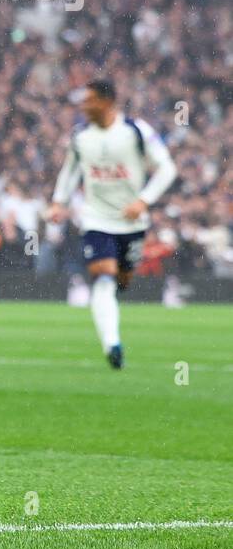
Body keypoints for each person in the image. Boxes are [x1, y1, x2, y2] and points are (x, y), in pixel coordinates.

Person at [46, 80, 177, 369]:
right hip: (95, 219)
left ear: (107, 102)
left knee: (121, 282)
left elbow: (168, 168)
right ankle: (112, 345)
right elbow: (70, 171)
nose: (84, 106)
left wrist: (143, 200)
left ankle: (110, 325)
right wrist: (59, 202)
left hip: (132, 222)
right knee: (103, 278)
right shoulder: (80, 136)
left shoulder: (136, 131)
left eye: (90, 100)